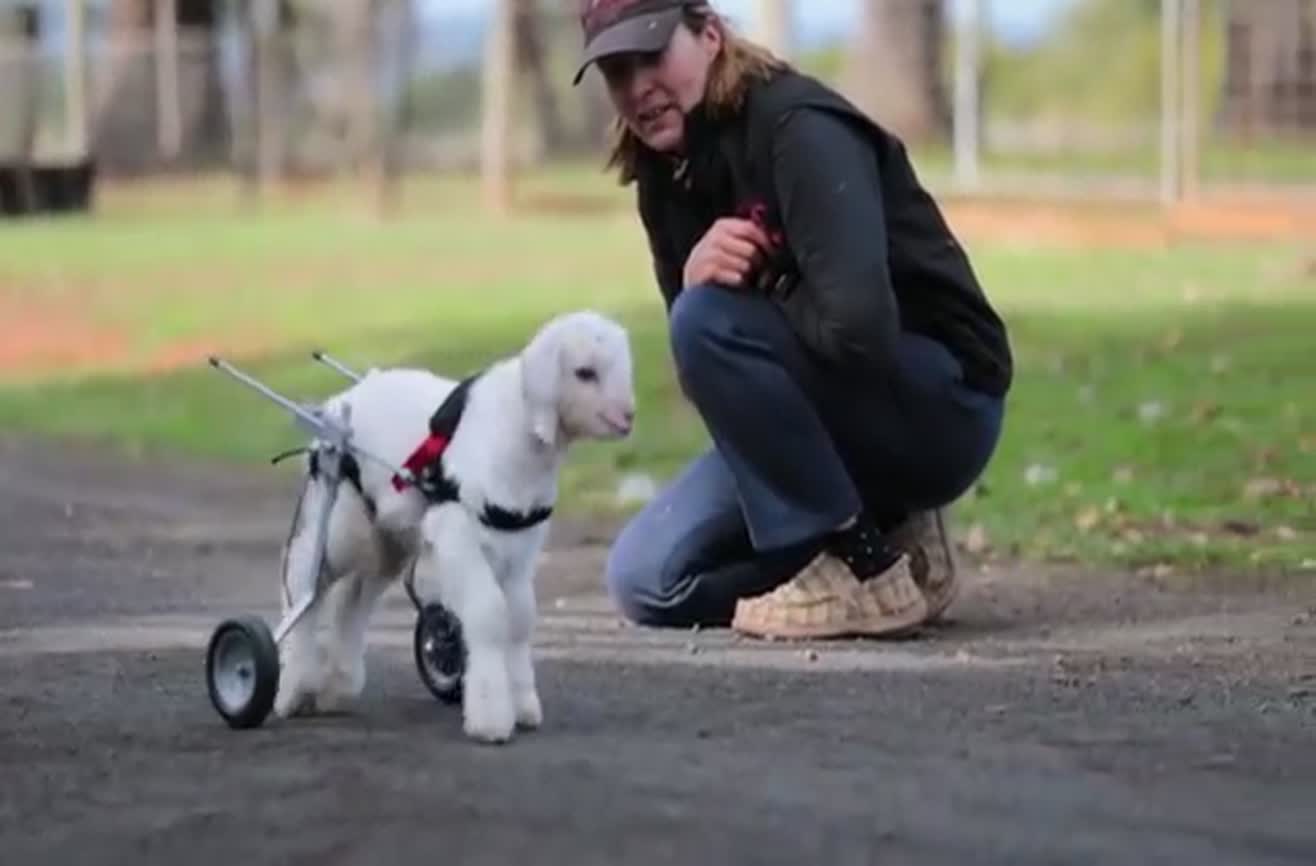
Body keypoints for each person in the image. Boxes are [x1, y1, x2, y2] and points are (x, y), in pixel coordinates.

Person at [573, 0, 1013, 639]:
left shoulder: (798, 129)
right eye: (616, 70)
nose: (638, 86)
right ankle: (877, 537)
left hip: (941, 404)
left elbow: (859, 334)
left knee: (706, 320)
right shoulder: (662, 170)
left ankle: (867, 571)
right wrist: (696, 279)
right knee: (648, 581)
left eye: (652, 55)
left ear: (711, 36)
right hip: (831, 419)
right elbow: (714, 372)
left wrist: (753, 290)